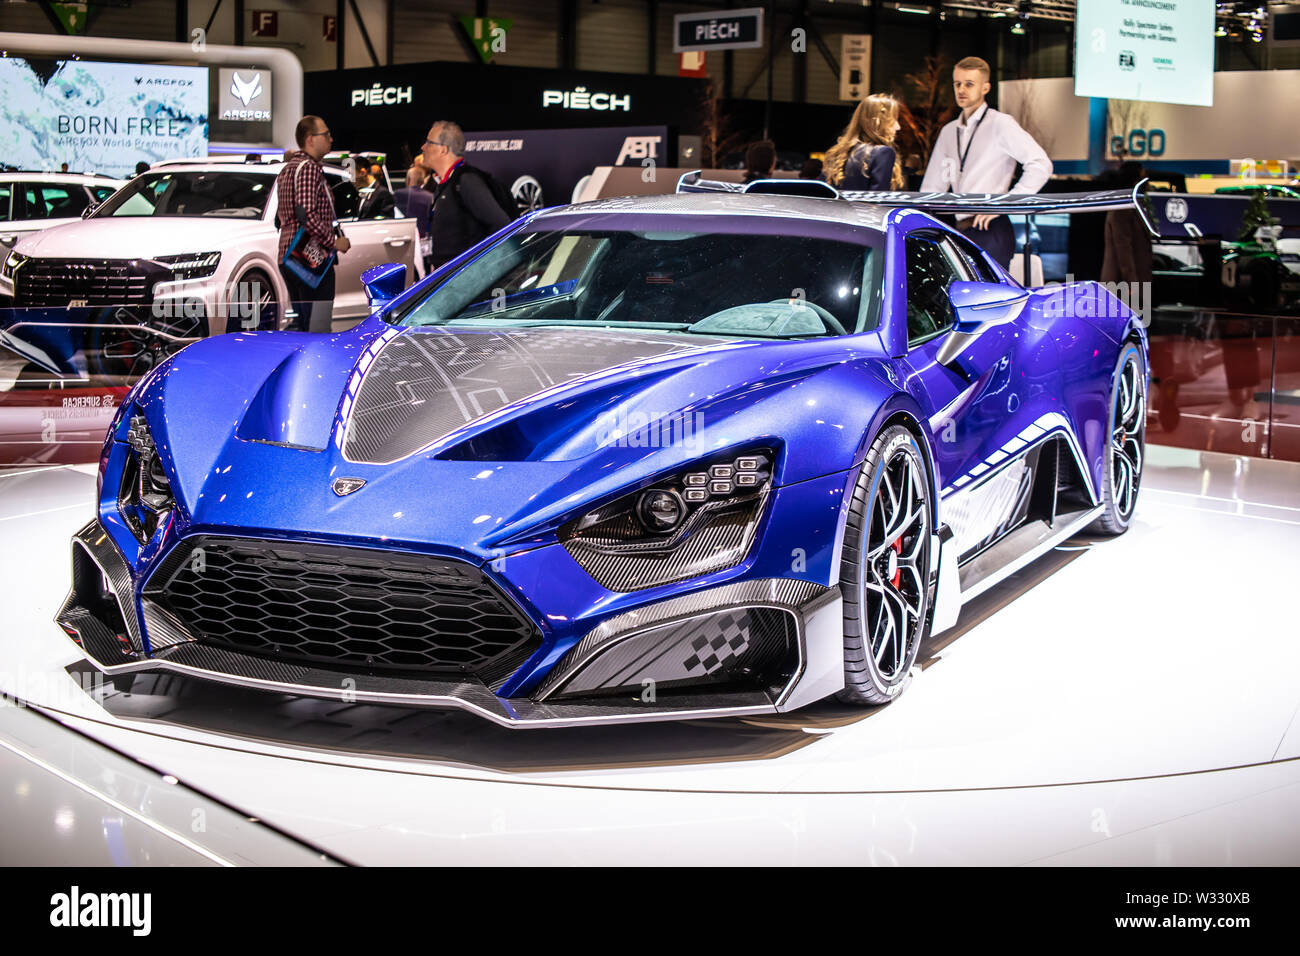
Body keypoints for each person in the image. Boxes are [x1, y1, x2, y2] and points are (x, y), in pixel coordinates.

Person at [920, 56, 1052, 270]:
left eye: (969, 84)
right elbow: (932, 187)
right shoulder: (949, 131)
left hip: (991, 228)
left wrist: (1003, 203)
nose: (961, 89)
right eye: (957, 84)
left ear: (985, 87)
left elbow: (1041, 165)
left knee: (990, 300)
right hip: (957, 229)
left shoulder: (1001, 124)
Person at [275, 115, 351, 332]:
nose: (331, 139)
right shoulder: (309, 168)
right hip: (309, 257)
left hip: (290, 255)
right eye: (325, 134)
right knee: (317, 327)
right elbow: (306, 213)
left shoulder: (288, 169)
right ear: (310, 139)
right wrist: (333, 242)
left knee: (304, 324)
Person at [421, 120, 511, 270]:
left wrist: (478, 268)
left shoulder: (466, 181)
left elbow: (501, 224)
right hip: (446, 277)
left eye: (429, 143)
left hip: (464, 281)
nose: (423, 147)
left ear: (443, 150)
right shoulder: (445, 183)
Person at [824, 94, 905, 191]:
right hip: (865, 206)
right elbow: (878, 199)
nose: (898, 127)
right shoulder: (883, 153)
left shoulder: (837, 152)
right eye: (894, 120)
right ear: (878, 122)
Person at [394, 165, 434, 270]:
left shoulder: (398, 194)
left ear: (408, 180)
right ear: (422, 181)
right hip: (426, 244)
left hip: (403, 244)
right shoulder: (430, 196)